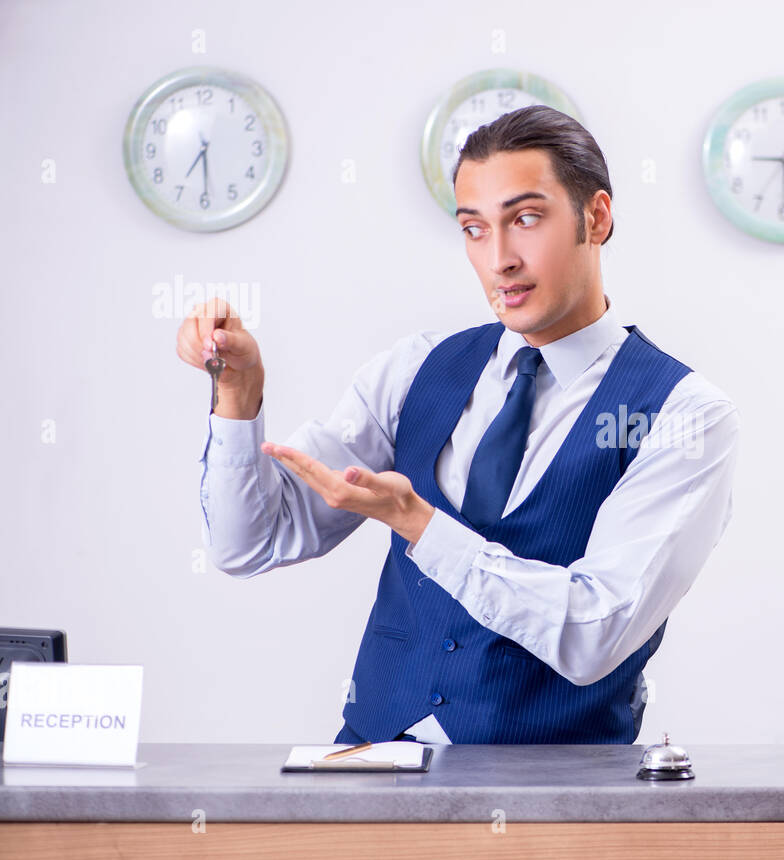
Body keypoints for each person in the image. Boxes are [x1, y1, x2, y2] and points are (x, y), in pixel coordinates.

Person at [175, 105, 740, 745]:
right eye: (475, 228)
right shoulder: (416, 370)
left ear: (597, 217)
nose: (500, 259)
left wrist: (421, 524)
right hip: (371, 764)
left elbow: (595, 632)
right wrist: (237, 391)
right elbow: (246, 545)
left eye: (525, 219)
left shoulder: (682, 414)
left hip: (557, 801)